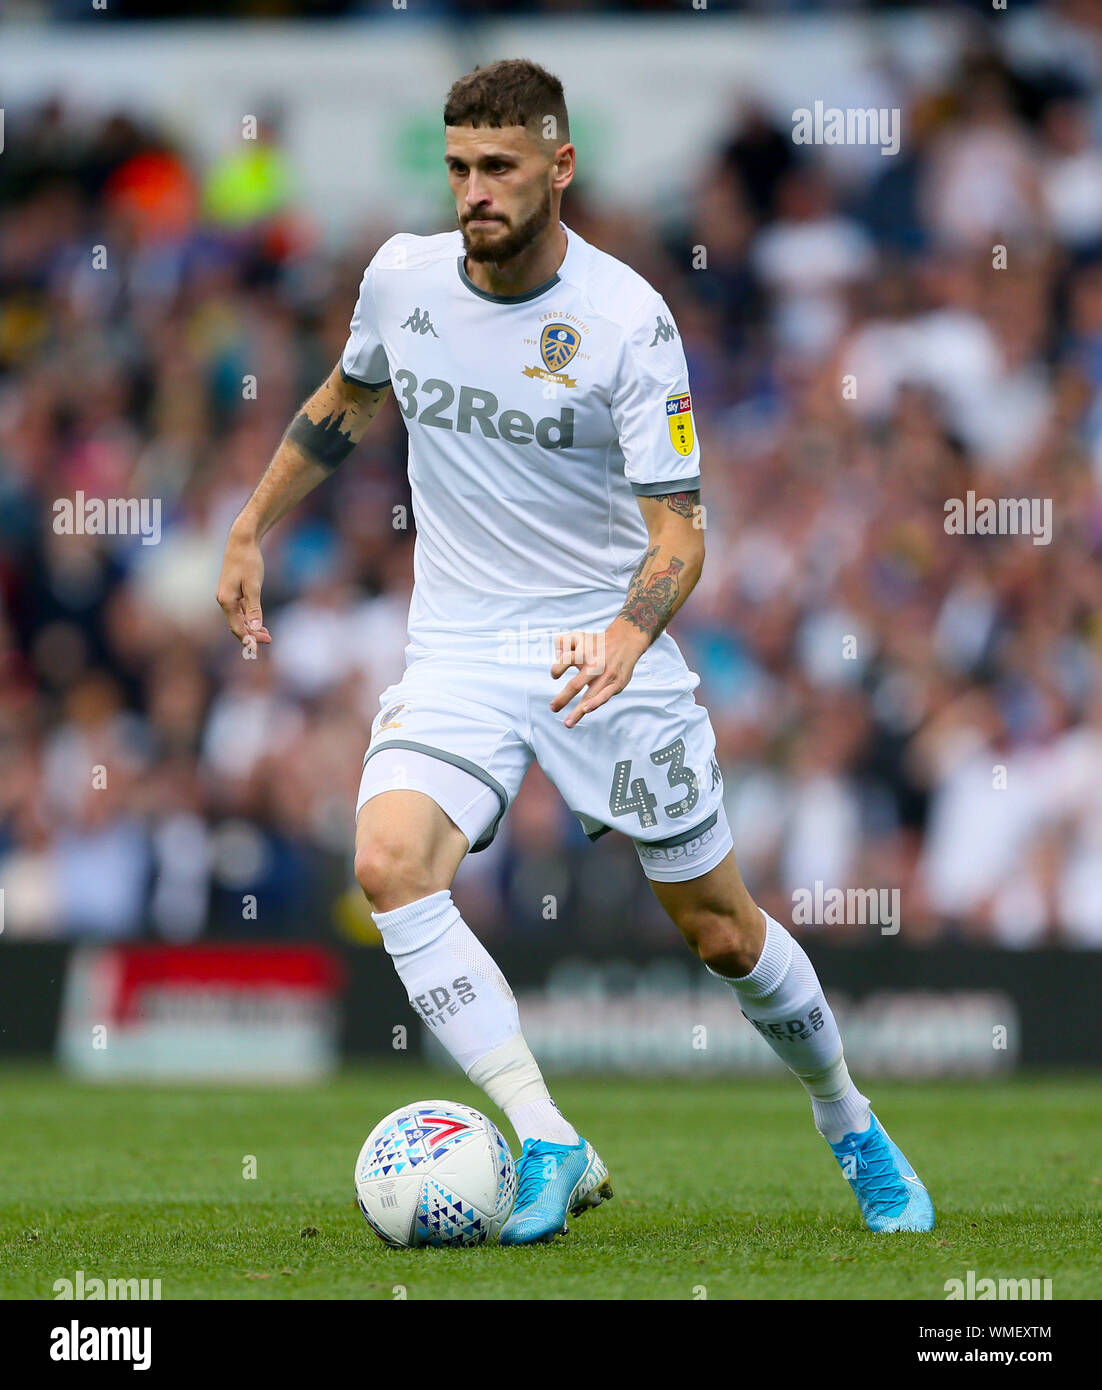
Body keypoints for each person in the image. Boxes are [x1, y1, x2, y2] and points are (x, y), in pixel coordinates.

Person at [216, 58, 934, 1245]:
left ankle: (847, 1116)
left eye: (498, 168)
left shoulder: (625, 320)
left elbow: (681, 532)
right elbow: (346, 400)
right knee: (392, 863)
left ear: (560, 166)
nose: (472, 192)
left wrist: (626, 631)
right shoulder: (400, 277)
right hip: (457, 644)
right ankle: (544, 1132)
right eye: (456, 168)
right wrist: (251, 521)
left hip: (607, 648)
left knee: (721, 933)